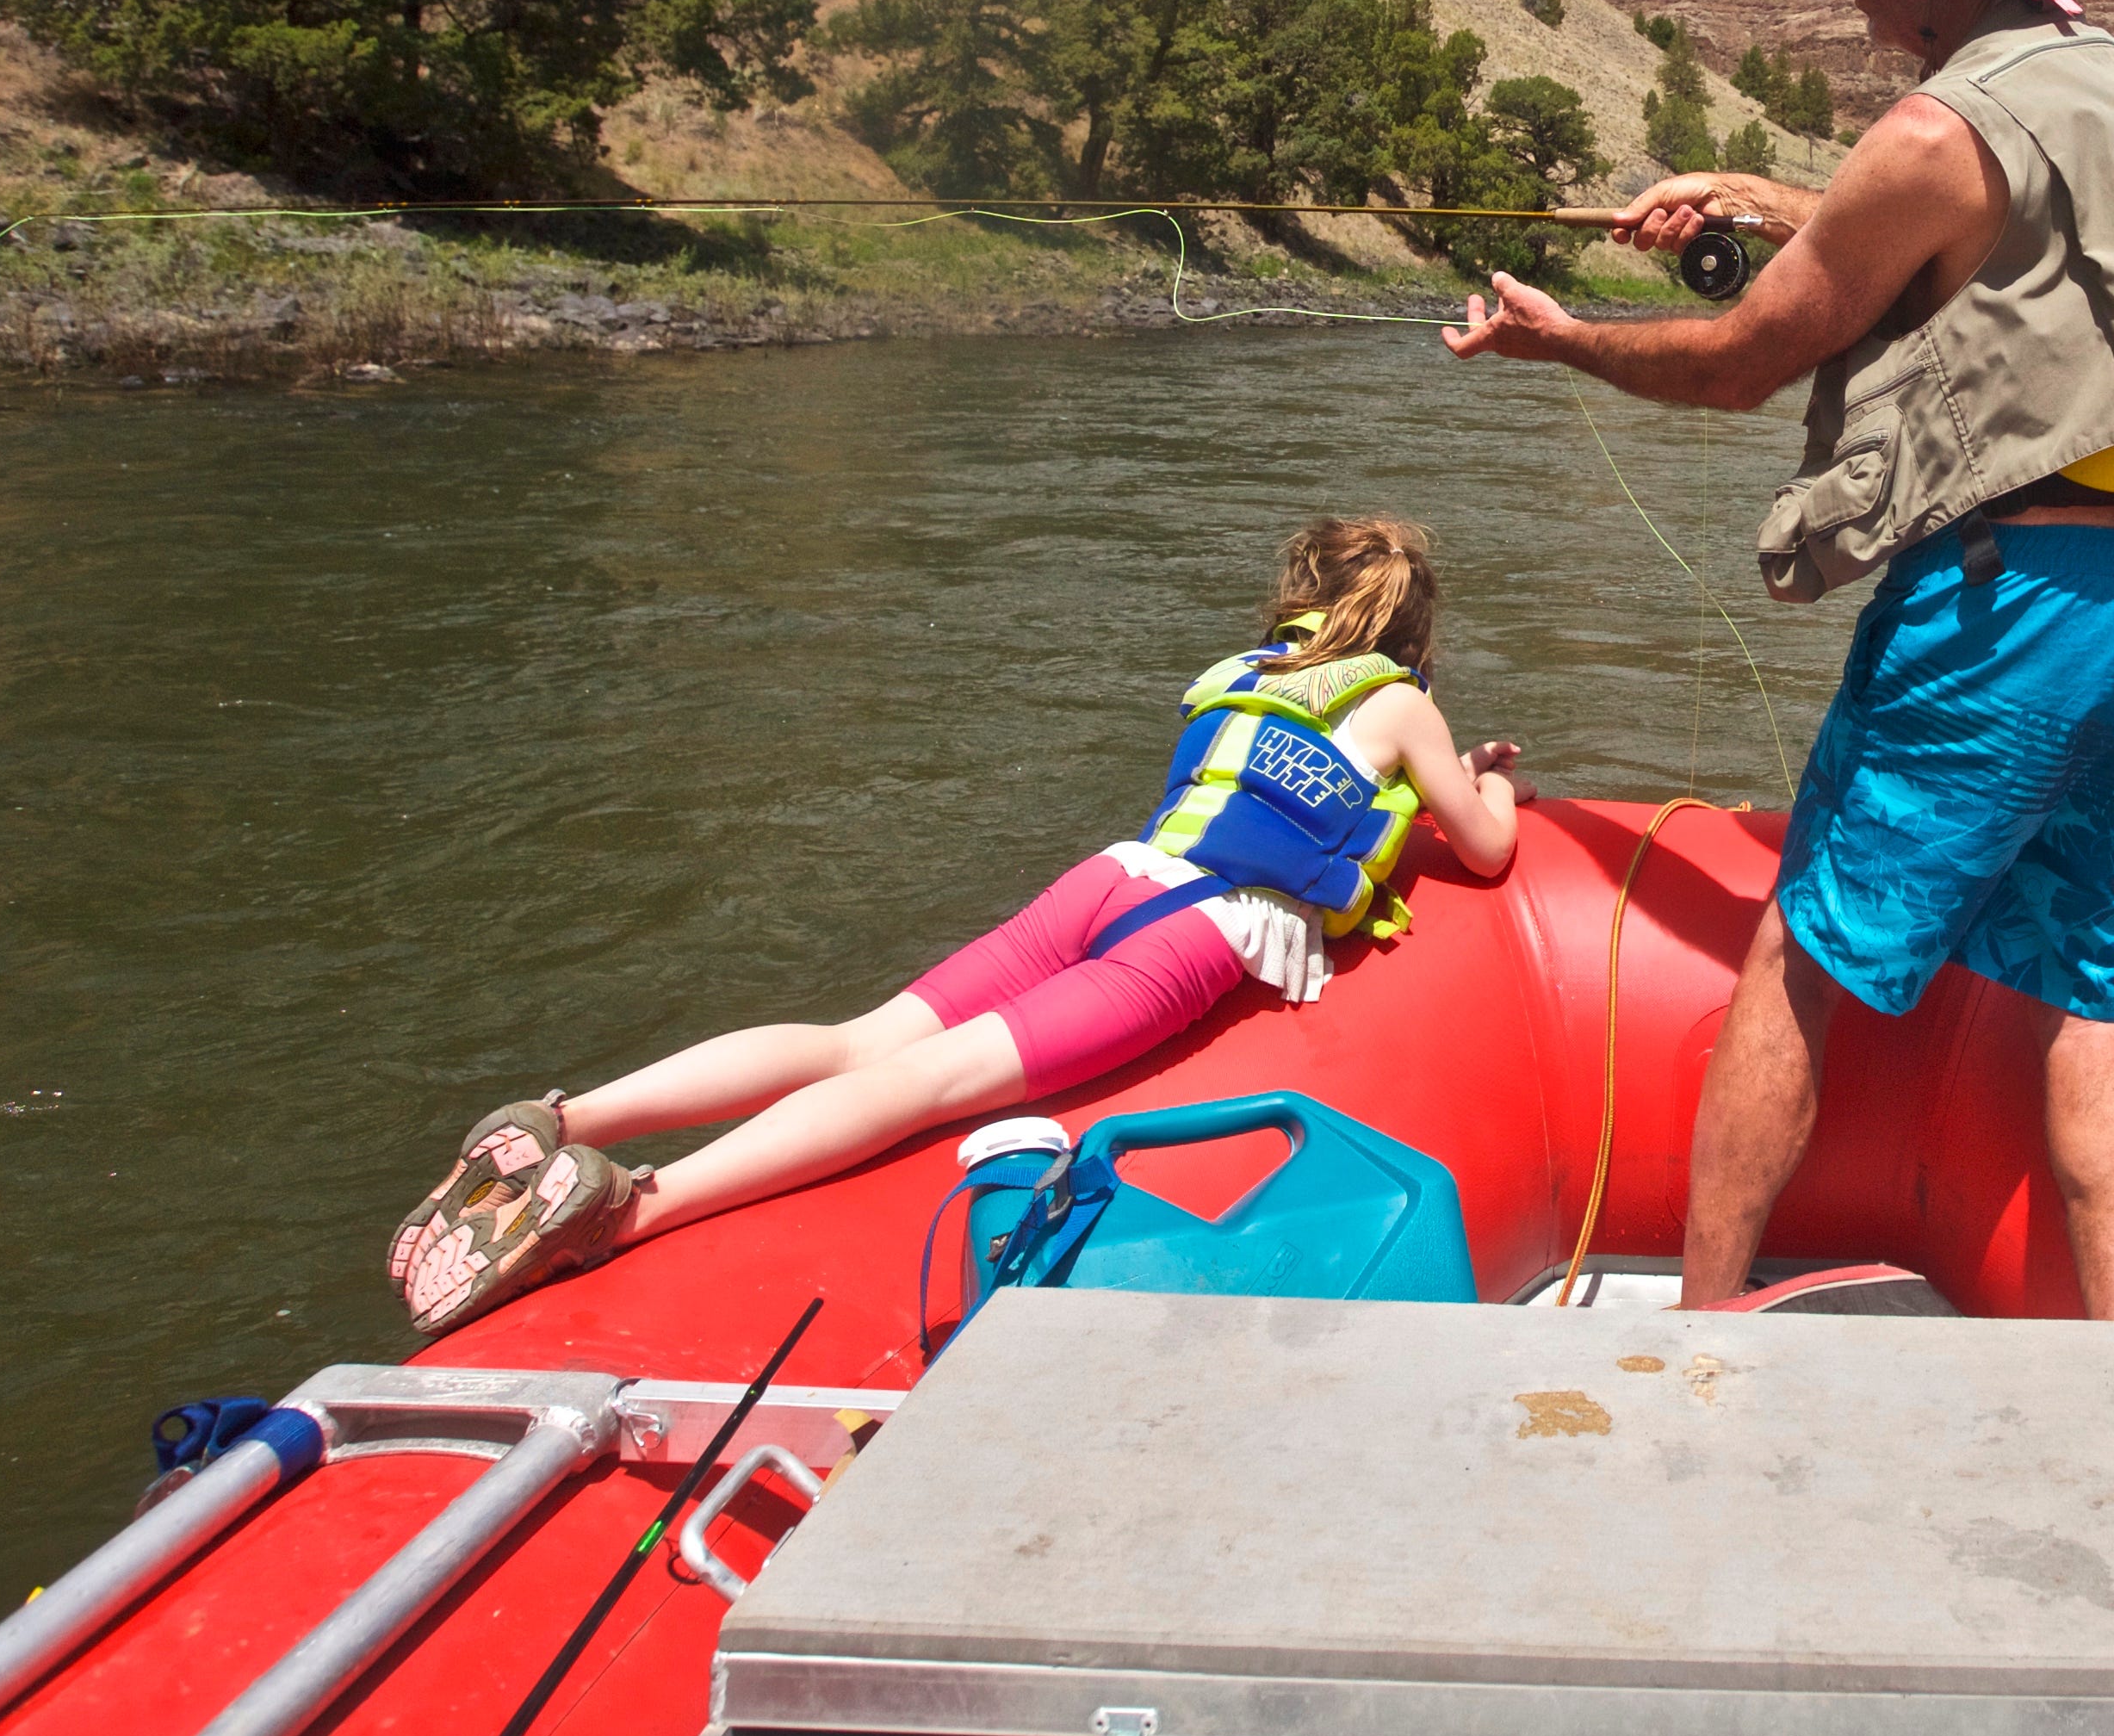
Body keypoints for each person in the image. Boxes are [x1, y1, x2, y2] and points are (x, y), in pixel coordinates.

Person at [1444, 0, 2114, 1319]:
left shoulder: (1930, 129)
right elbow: (2003, 229)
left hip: (2012, 615)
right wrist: (1763, 196)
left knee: (1802, 958)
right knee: (2094, 992)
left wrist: (1565, 342)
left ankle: (1704, 1343)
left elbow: (1735, 363)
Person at [387, 515, 1522, 1331]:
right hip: (1199, 932)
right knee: (927, 1087)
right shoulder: (1402, 700)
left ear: (1301, 599)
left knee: (861, 1036)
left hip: (1110, 878)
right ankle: (635, 1209)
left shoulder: (1238, 669)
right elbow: (1483, 846)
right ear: (1413, 632)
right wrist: (1487, 784)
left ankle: (563, 1114)